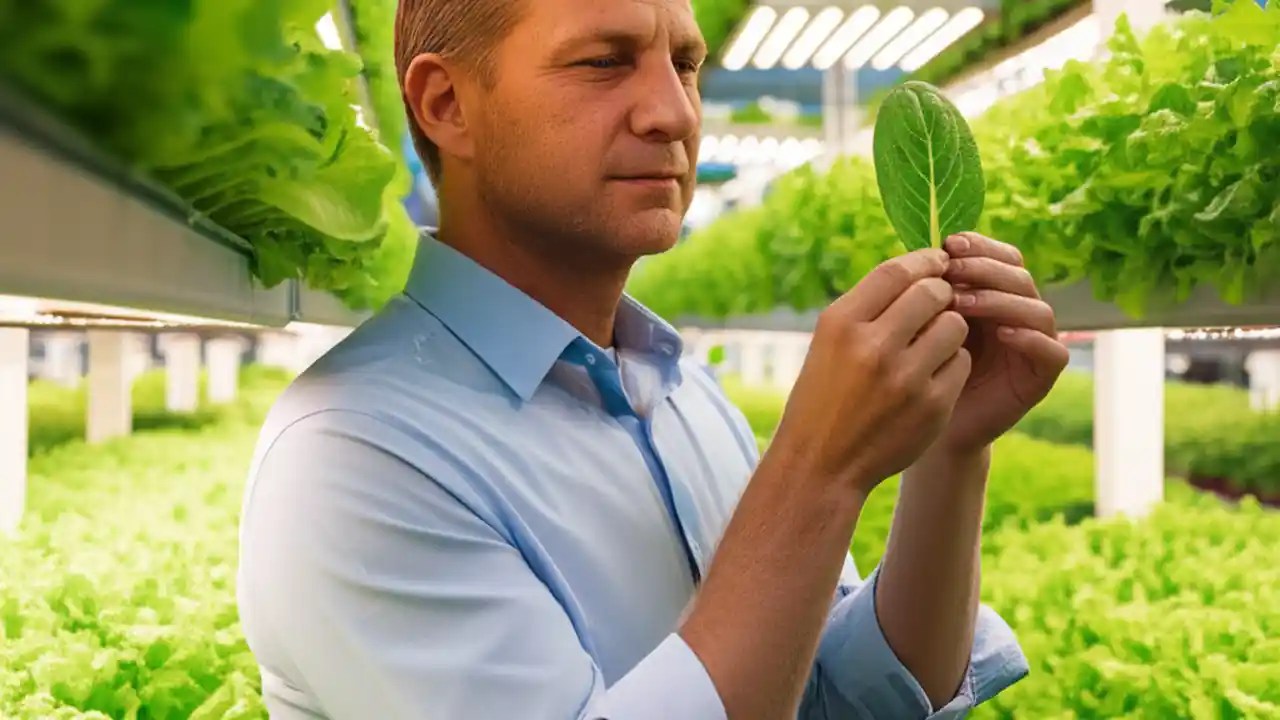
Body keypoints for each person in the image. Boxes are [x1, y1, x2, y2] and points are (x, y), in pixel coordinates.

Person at [235, 0, 1070, 718]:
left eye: (687, 64)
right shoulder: (356, 451)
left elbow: (836, 692)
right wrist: (817, 469)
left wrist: (951, 454)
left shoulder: (683, 396)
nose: (672, 114)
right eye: (604, 62)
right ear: (448, 104)